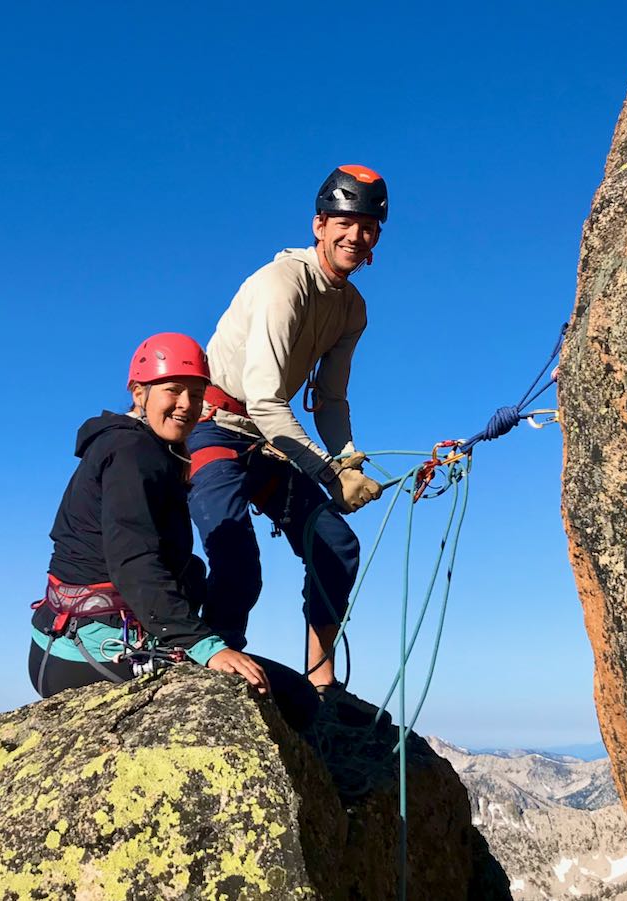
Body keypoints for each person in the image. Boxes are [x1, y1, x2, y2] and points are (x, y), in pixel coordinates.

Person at [28, 332, 317, 728]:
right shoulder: (133, 455)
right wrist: (206, 646)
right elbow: (134, 562)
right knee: (295, 700)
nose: (186, 405)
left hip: (69, 641)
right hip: (90, 653)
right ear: (139, 393)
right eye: (173, 390)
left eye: (197, 395)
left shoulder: (144, 450)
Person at [186, 165, 387, 715]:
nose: (356, 236)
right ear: (320, 225)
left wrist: (348, 458)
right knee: (235, 556)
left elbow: (330, 400)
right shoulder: (283, 286)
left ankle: (321, 684)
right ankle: (217, 678)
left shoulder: (352, 308)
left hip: (270, 440)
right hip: (216, 426)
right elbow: (265, 401)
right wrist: (331, 472)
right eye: (345, 223)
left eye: (368, 226)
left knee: (336, 546)